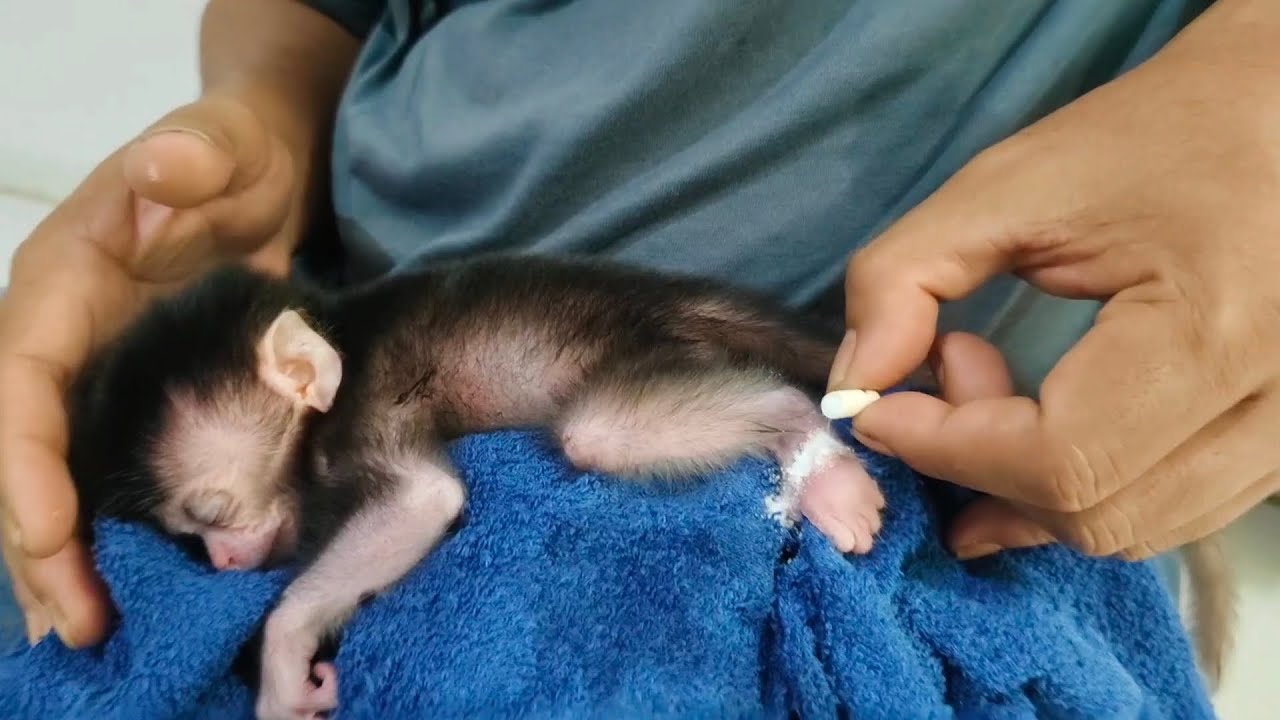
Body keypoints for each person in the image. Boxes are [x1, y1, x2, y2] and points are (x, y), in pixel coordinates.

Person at [3, 0, 1278, 655]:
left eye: (211, 520)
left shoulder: (360, 443)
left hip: (959, 463)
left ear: (297, 376)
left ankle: (799, 441)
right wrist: (262, 119)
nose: (223, 553)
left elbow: (416, 504)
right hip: (368, 271)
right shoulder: (298, 434)